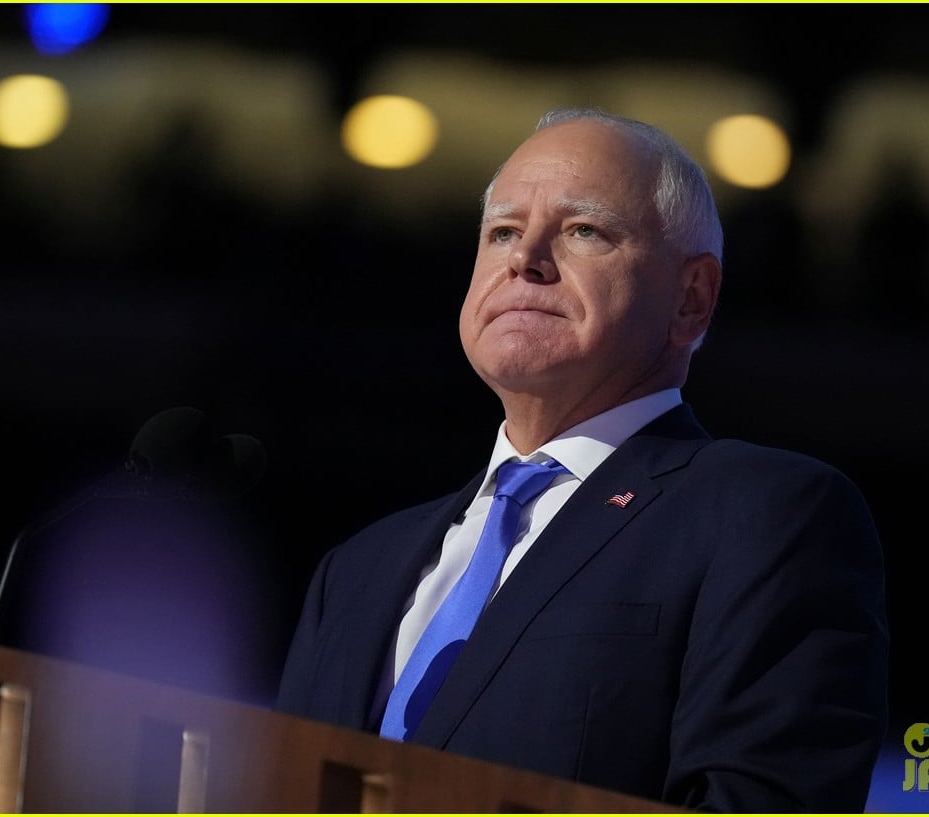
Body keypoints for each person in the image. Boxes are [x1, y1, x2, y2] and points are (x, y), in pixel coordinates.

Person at [275, 106, 889, 812]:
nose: (524, 259)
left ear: (692, 298)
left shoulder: (766, 515)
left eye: (582, 231)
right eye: (502, 231)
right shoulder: (356, 569)